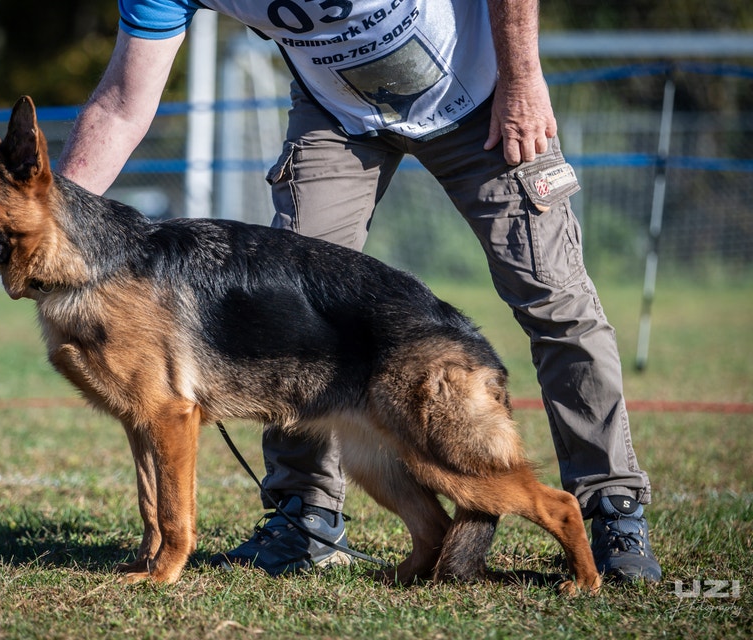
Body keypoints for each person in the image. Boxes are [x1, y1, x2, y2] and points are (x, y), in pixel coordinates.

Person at [57, 0, 661, 583]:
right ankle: (306, 519)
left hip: (482, 93)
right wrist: (51, 229)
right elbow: (118, 103)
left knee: (558, 303)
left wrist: (523, 78)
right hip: (336, 113)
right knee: (280, 300)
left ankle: (611, 510)